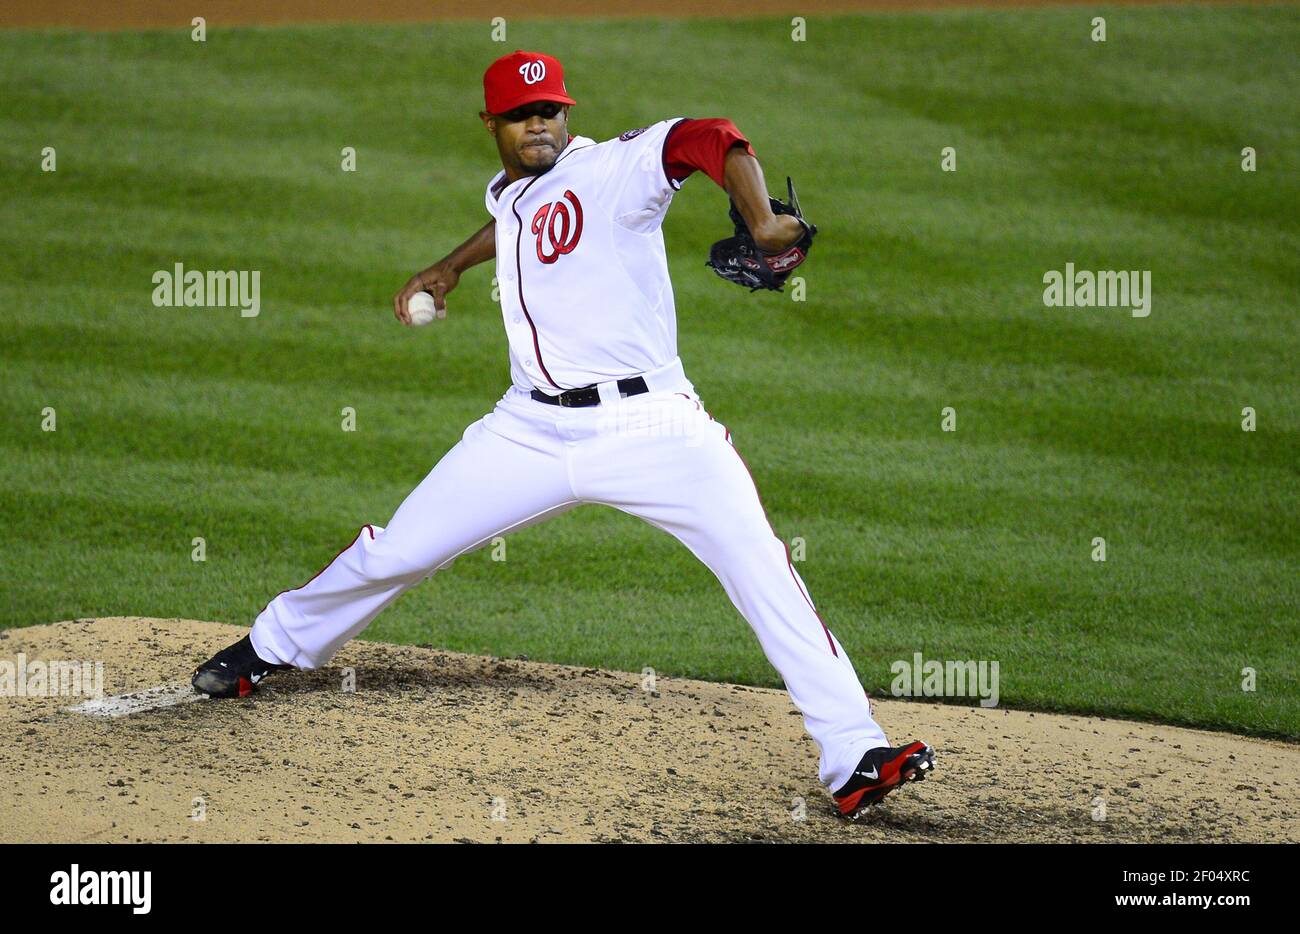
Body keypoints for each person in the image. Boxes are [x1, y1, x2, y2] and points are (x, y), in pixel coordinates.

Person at [192, 49, 934, 818]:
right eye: (520, 115)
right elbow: (518, 224)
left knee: (762, 568)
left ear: (566, 114)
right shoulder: (514, 194)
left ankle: (854, 754)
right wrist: (446, 268)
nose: (538, 123)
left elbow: (710, 136)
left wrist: (761, 218)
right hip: (530, 429)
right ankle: (270, 647)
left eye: (549, 110)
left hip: (655, 427)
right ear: (492, 125)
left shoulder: (614, 169)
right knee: (402, 548)